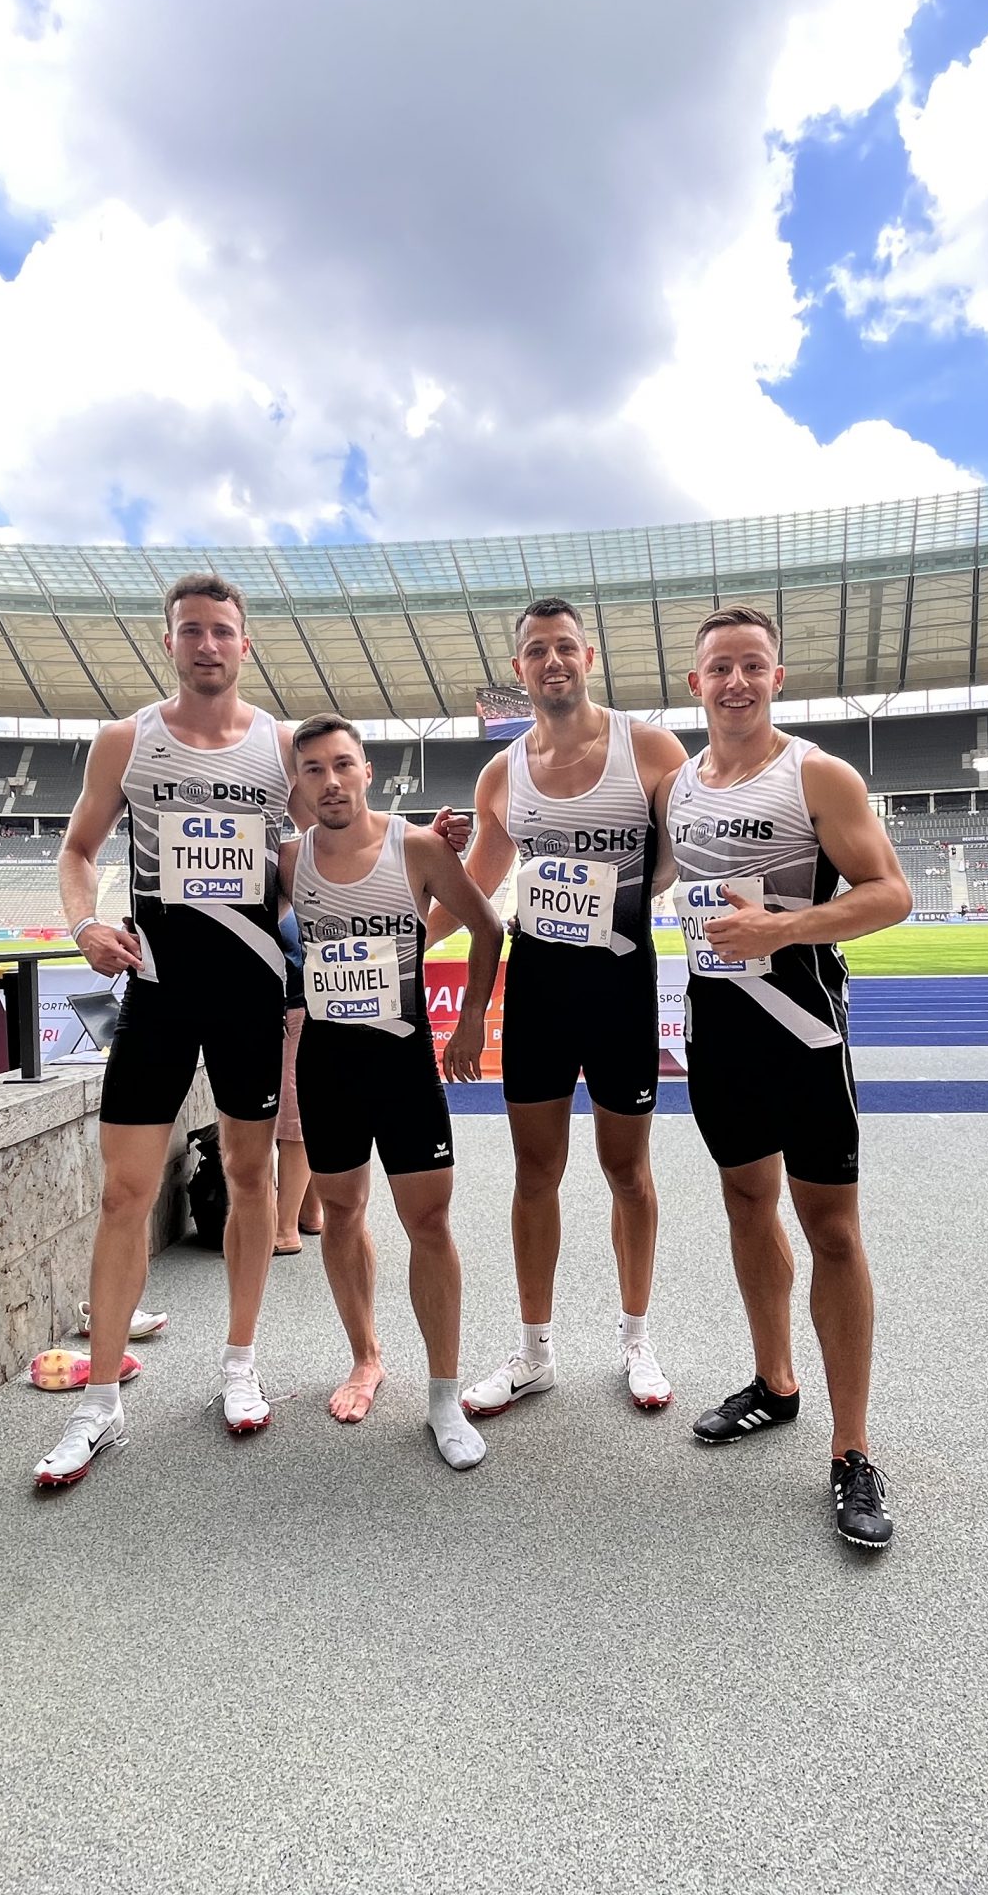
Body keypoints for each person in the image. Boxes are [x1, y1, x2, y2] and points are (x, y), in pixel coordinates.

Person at [32, 571, 305, 1487]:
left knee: (248, 1176)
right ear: (170, 642)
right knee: (125, 1194)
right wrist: (82, 926)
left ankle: (239, 1363)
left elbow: (320, 854)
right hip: (157, 990)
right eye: (191, 630)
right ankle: (101, 1400)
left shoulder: (281, 746)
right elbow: (77, 852)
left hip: (250, 993)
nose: (208, 645)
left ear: (245, 643)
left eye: (223, 631)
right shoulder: (126, 741)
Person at [663, 605, 912, 1551]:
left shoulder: (817, 773)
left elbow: (890, 893)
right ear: (696, 684)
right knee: (743, 1201)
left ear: (777, 677)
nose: (735, 682)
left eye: (752, 666)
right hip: (715, 1034)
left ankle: (852, 1450)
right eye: (719, 668)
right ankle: (776, 1383)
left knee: (834, 1233)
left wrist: (782, 929)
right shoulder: (676, 787)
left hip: (804, 1033)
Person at [432, 595, 687, 1419]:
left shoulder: (648, 748)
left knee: (627, 1171)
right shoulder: (500, 773)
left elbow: (687, 853)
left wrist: (615, 896)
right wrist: (406, 937)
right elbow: (475, 889)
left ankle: (637, 1340)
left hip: (620, 988)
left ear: (589, 658)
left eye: (566, 647)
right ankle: (534, 1352)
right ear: (519, 671)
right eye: (537, 650)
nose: (553, 661)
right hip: (538, 991)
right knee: (535, 1173)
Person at [282, 714, 503, 1468]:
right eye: (312, 769)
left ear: (367, 771)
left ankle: (444, 1396)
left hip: (403, 1064)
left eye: (342, 765)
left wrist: (470, 1020)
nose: (330, 781)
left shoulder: (416, 848)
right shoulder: (287, 862)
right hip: (329, 1065)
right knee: (341, 1213)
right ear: (298, 783)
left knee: (428, 1222)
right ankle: (367, 1357)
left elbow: (487, 927)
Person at [271, 907, 323, 1257]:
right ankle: (308, 1211)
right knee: (304, 1107)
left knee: (293, 1114)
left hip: (293, 1005)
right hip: (307, 1000)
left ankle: (283, 1227)